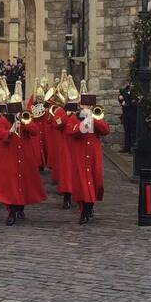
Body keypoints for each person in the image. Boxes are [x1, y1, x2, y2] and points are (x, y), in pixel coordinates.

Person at [0, 97, 45, 226]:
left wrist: (25, 123)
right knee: (10, 185)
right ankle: (11, 212)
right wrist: (10, 131)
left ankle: (21, 207)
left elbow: (35, 131)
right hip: (9, 157)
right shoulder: (4, 120)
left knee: (24, 183)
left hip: (25, 157)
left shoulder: (25, 118)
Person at [65, 90, 110, 224]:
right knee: (82, 183)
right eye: (85, 105)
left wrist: (93, 119)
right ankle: (83, 210)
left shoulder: (96, 117)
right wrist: (84, 121)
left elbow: (105, 130)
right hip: (80, 154)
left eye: (89, 106)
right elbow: (71, 131)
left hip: (93, 154)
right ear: (80, 106)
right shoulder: (74, 118)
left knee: (96, 181)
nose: (87, 108)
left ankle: (90, 206)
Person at [118, 81, 137, 153]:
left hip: (132, 113)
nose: (129, 84)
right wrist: (120, 99)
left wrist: (127, 103)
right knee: (127, 131)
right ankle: (127, 147)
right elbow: (121, 98)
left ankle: (133, 147)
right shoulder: (124, 90)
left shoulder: (135, 92)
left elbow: (134, 102)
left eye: (130, 83)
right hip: (125, 113)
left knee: (133, 131)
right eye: (127, 83)